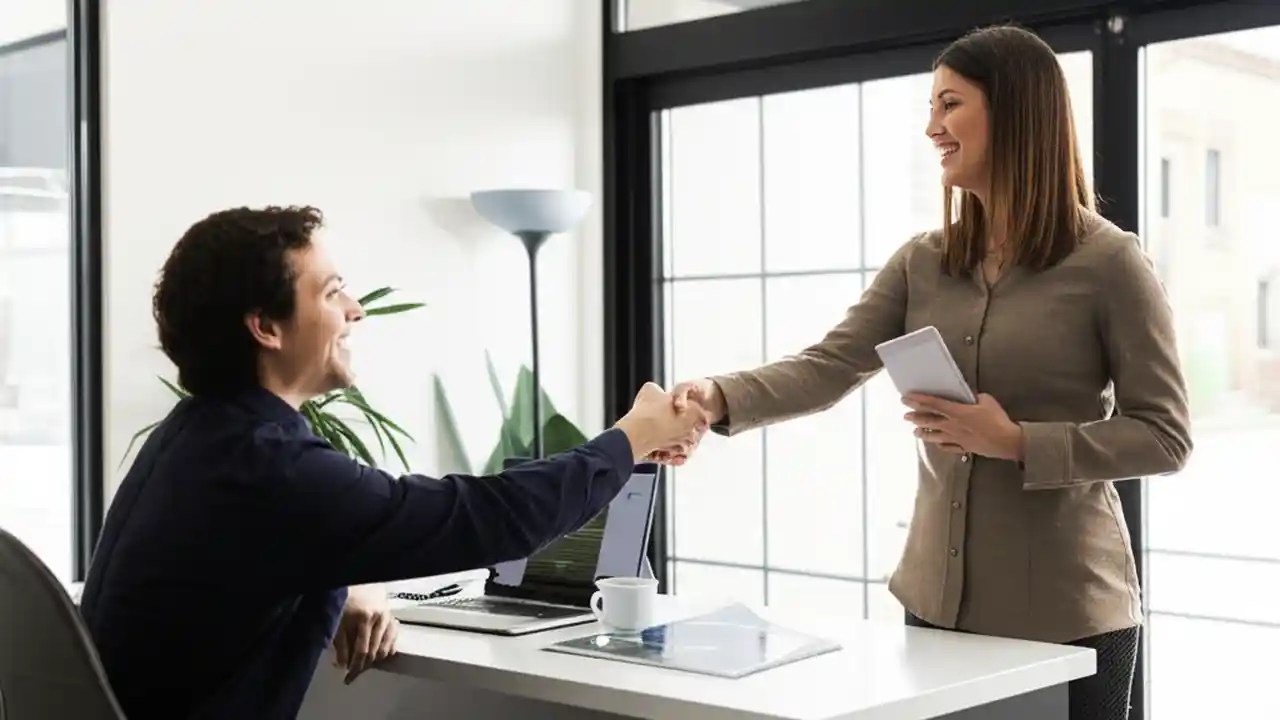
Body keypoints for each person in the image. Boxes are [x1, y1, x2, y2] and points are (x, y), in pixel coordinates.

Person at [654, 25, 1191, 720]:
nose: (931, 126)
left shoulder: (1111, 263)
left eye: (949, 105)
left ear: (1015, 113)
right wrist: (715, 397)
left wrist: (1021, 441)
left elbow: (1165, 435)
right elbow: (827, 367)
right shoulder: (923, 262)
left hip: (1069, 616)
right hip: (936, 610)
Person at [79, 205, 708, 720]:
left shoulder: (197, 436)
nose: (355, 309)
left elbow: (257, 555)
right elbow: (489, 518)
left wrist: (342, 580)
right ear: (267, 328)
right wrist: (634, 436)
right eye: (330, 293)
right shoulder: (266, 465)